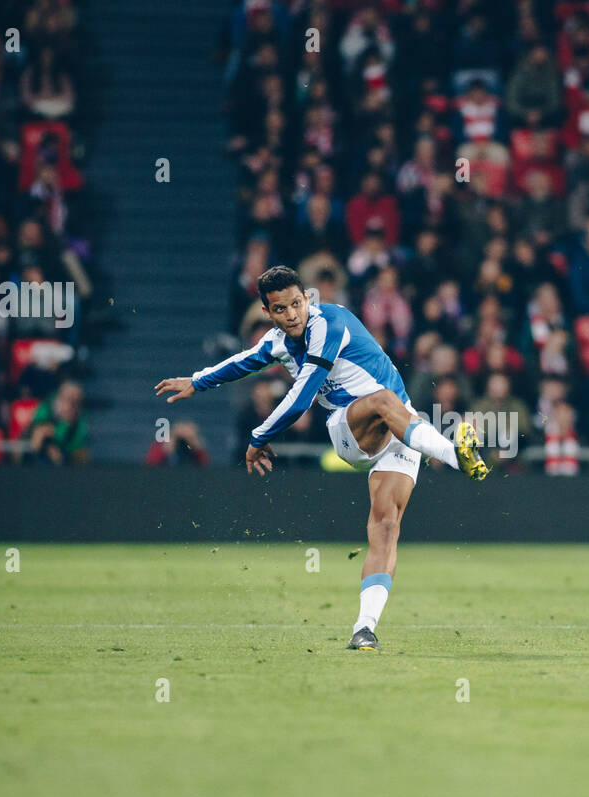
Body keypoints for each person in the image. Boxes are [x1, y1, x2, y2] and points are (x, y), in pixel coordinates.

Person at [155, 265, 488, 652]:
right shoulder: (279, 343)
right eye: (281, 309)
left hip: (400, 432)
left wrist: (258, 433)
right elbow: (252, 368)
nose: (292, 314)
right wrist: (197, 382)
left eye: (297, 303)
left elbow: (294, 391)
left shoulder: (330, 322)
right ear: (268, 313)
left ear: (306, 298)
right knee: (383, 401)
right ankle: (455, 455)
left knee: (385, 529)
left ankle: (364, 629)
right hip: (350, 431)